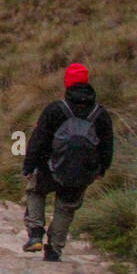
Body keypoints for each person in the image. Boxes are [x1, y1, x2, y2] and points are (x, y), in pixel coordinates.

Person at [22, 62, 114, 261]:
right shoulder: (100, 114)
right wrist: (101, 169)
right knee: (66, 207)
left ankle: (36, 233)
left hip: (49, 168)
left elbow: (39, 139)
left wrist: (29, 166)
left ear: (67, 83)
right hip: (82, 172)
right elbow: (107, 146)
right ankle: (54, 249)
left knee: (35, 191)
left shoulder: (56, 109)